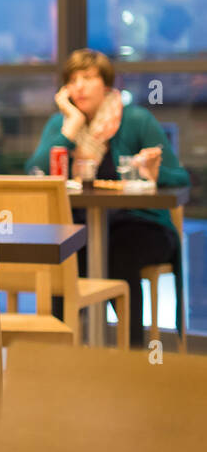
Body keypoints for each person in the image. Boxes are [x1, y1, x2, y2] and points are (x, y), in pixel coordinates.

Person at [25, 48, 189, 347]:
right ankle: (60, 356)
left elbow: (179, 178)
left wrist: (152, 172)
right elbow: (34, 171)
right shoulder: (61, 123)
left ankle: (133, 354)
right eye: (72, 80)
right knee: (63, 259)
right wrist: (71, 127)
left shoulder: (136, 120)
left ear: (107, 84)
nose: (79, 86)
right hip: (82, 228)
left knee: (118, 255)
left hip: (142, 225)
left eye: (88, 78)